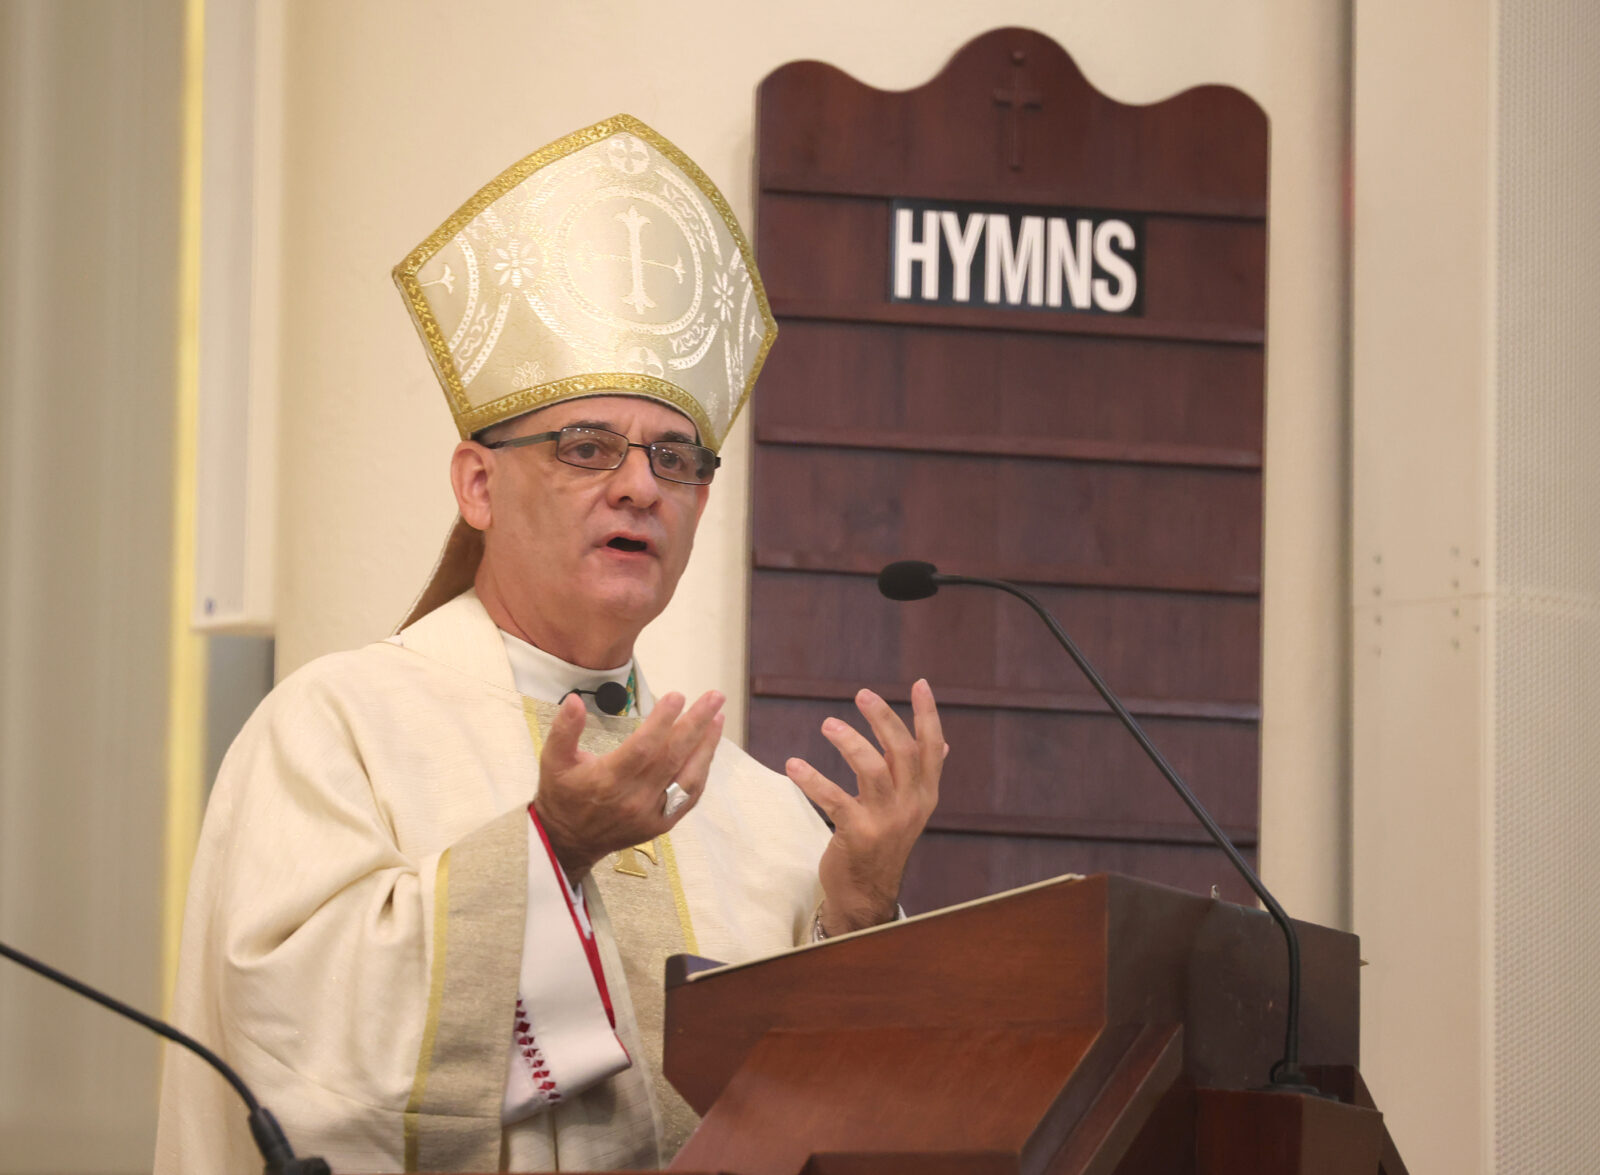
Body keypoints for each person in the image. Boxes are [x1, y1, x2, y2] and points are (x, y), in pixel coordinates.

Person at [154, 114, 944, 1173]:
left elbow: (850, 1121)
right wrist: (546, 853)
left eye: (675, 457)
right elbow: (293, 1055)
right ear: (478, 485)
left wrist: (853, 911)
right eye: (587, 447)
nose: (639, 485)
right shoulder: (337, 728)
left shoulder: (761, 818)